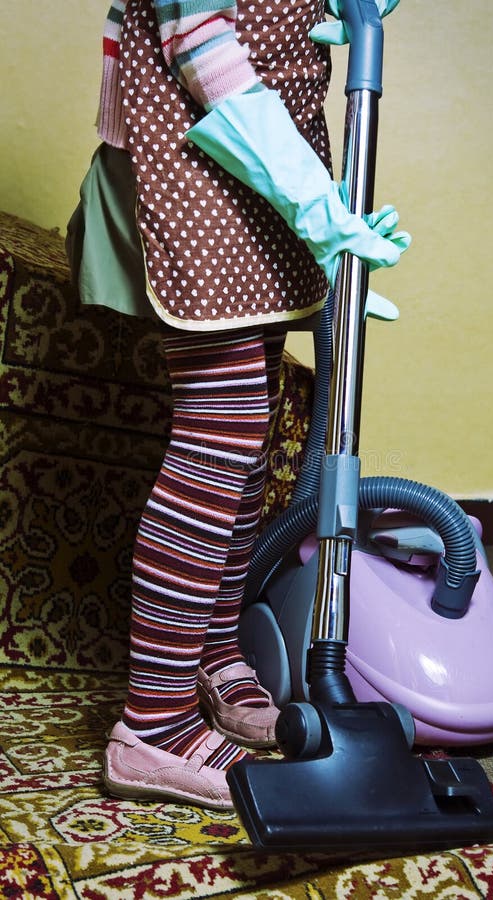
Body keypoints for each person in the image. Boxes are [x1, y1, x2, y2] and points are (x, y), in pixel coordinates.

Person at [68, 0, 409, 810]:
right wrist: (310, 199)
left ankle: (215, 655)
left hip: (256, 165)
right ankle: (153, 726)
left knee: (253, 425)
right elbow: (197, 37)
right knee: (222, 427)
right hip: (189, 160)